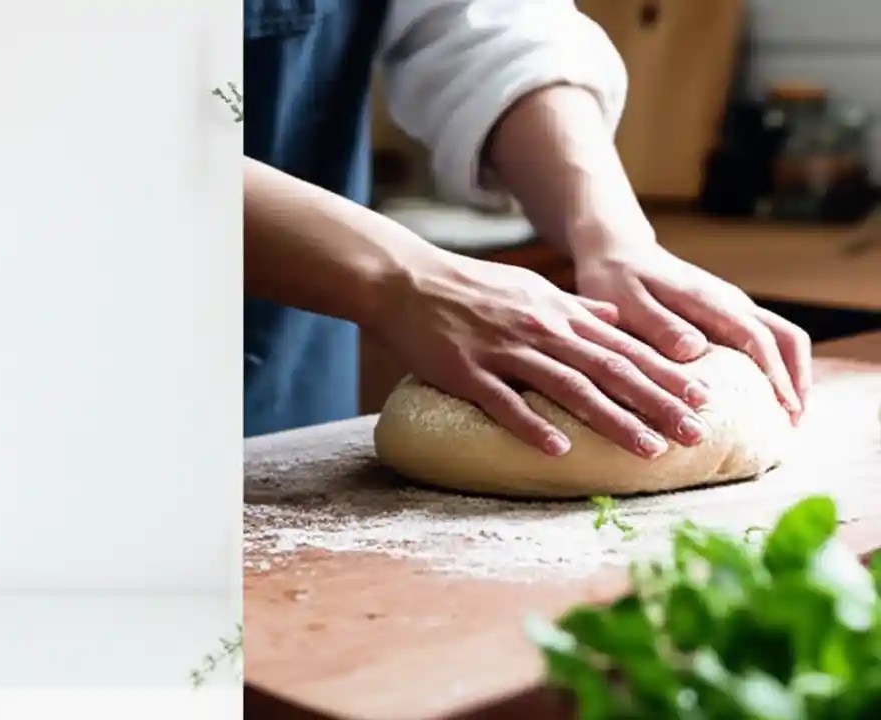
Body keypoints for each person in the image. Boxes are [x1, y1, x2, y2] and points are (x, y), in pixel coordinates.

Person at [243, 0, 812, 459]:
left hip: (282, 387)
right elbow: (150, 150)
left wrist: (611, 236)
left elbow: (480, 22)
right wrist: (404, 279)